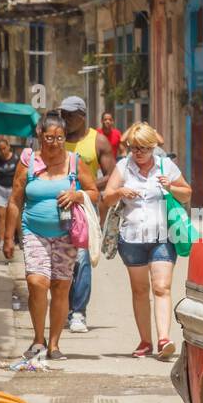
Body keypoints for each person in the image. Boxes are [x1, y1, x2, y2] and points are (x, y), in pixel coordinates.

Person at [3, 111, 100, 361]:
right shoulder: (28, 162)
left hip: (66, 234)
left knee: (60, 286)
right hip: (33, 231)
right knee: (37, 282)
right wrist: (7, 237)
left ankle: (54, 344)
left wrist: (77, 195)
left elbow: (94, 191)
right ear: (40, 136)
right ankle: (38, 339)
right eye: (49, 137)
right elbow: (15, 200)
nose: (55, 143)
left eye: (59, 138)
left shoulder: (74, 162)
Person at [103, 122, 192, 360]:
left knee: (161, 287)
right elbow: (107, 198)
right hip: (131, 238)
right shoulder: (123, 167)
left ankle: (164, 339)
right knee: (140, 290)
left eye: (143, 148)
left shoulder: (165, 166)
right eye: (134, 148)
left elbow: (187, 193)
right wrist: (120, 192)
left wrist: (170, 187)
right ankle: (145, 341)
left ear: (153, 147)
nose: (138, 153)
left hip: (162, 237)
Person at [60, 95, 115, 334]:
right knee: (61, 261)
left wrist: (86, 186)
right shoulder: (57, 139)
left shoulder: (98, 141)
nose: (65, 119)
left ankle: (78, 312)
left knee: (81, 260)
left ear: (82, 116)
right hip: (57, 206)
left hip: (83, 208)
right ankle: (64, 308)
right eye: (63, 114)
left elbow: (112, 175)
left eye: (70, 115)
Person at [0, 137, 17, 249]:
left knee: (11, 216)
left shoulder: (16, 159)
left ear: (8, 147)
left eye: (4, 148)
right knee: (1, 216)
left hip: (12, 190)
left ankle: (11, 238)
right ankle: (1, 240)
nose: (2, 151)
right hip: (0, 189)